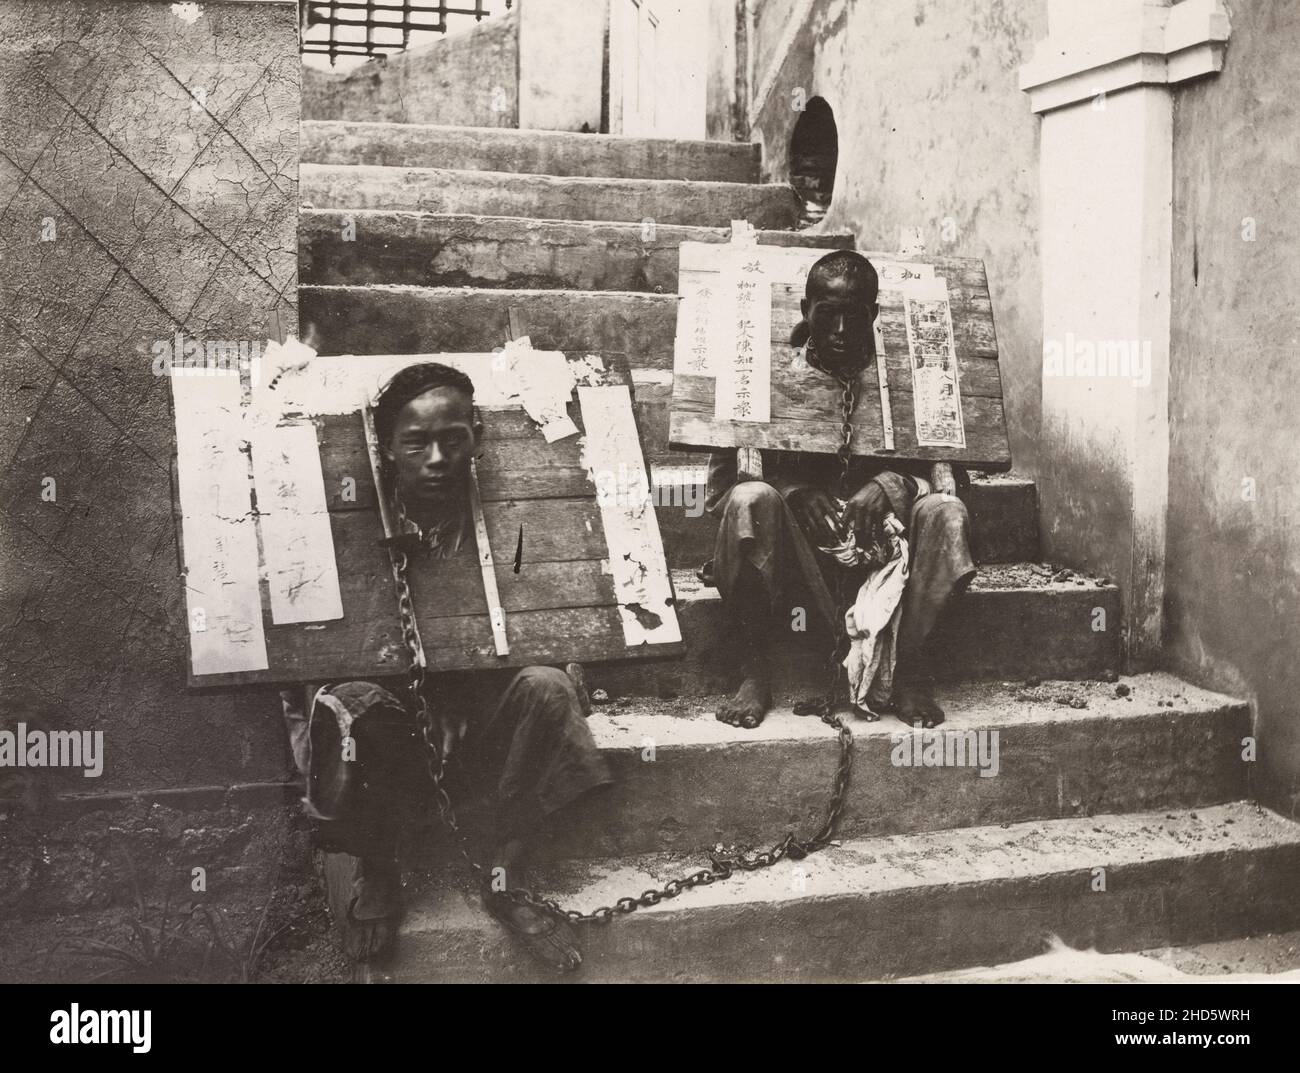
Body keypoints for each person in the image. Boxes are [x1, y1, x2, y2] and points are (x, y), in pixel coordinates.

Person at [280, 362, 613, 973]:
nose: (437, 457)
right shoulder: (339, 525)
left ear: (478, 441)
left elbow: (543, 622)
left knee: (549, 687)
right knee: (346, 703)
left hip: (477, 737)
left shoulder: (520, 518)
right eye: (416, 443)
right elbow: (319, 654)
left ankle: (505, 867)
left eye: (453, 439)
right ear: (386, 452)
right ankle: (377, 868)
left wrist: (465, 688)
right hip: (393, 742)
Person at [703, 250, 976, 731]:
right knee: (751, 500)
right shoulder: (761, 375)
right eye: (828, 316)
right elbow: (720, 495)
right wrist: (790, 492)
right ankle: (755, 667)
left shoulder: (912, 378)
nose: (841, 332)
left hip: (885, 553)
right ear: (805, 309)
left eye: (855, 317)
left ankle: (910, 669)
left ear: (874, 315)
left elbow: (956, 485)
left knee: (947, 512)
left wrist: (891, 485)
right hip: (797, 558)